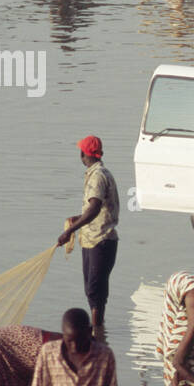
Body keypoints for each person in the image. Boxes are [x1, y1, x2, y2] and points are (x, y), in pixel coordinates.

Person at [56, 136, 119, 337]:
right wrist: (77, 219)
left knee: (95, 290)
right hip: (93, 239)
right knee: (92, 290)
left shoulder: (98, 176)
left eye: (81, 152)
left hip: (101, 239)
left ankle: (97, 333)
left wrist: (70, 230)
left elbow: (94, 209)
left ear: (84, 154)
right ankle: (98, 331)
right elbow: (94, 211)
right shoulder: (97, 174)